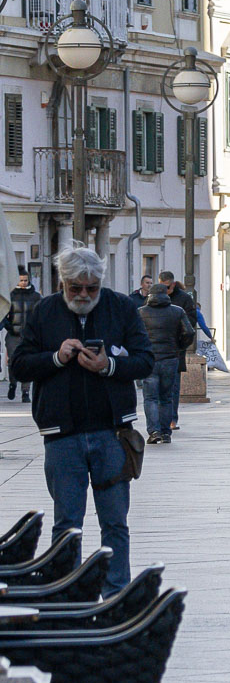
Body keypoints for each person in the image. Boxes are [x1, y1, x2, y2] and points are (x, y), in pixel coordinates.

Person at [12, 246, 153, 597]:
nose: (84, 295)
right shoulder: (45, 311)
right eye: (76, 288)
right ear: (62, 283)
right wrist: (57, 358)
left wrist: (109, 366)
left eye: (92, 288)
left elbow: (146, 360)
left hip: (112, 432)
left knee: (115, 523)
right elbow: (19, 365)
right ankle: (67, 596)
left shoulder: (120, 306)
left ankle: (116, 596)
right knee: (67, 525)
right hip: (62, 435)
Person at [135, 283, 195, 444]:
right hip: (170, 358)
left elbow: (133, 334)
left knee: (150, 397)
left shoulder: (141, 313)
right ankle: (166, 432)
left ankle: (154, 431)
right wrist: (180, 346)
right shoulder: (177, 311)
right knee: (166, 397)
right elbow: (189, 332)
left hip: (150, 359)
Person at [4, 274, 42, 403]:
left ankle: (25, 391)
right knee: (12, 361)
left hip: (29, 334)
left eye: (25, 280)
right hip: (13, 334)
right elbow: (3, 313)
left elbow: (40, 312)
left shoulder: (36, 296)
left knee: (27, 361)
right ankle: (12, 383)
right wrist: (9, 327)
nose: (23, 283)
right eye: (21, 280)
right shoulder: (10, 295)